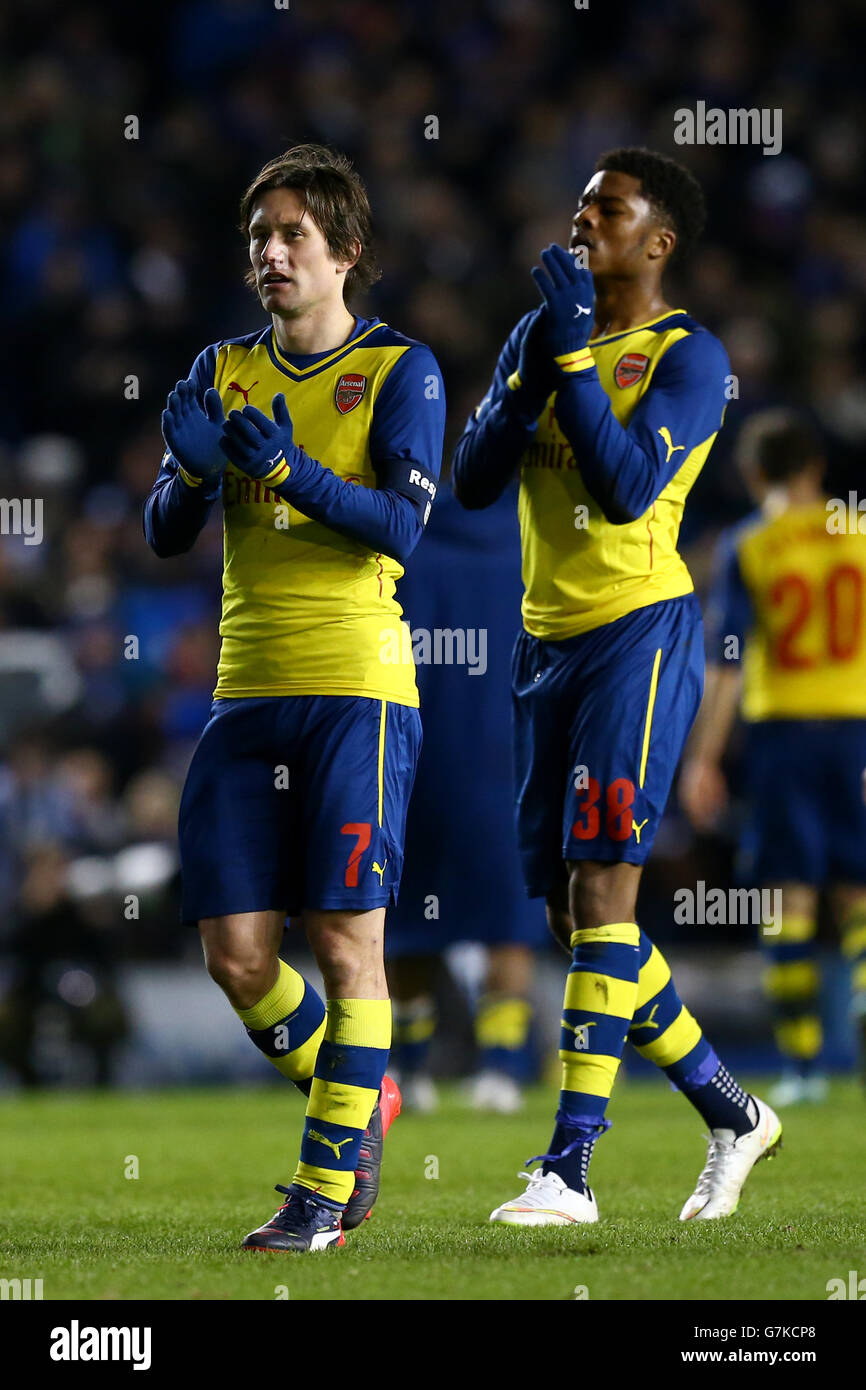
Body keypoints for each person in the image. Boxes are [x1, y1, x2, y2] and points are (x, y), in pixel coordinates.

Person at [453, 147, 781, 1225]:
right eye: (582, 201)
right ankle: (731, 1111)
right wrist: (531, 370)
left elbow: (631, 484)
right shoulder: (541, 329)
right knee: (568, 915)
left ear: (657, 241)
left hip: (636, 634)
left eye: (609, 206)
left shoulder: (688, 355)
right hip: (542, 643)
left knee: (603, 896)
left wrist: (572, 364)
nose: (583, 217)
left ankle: (568, 1168)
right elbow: (472, 476)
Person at [144, 144, 445, 1251]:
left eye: (293, 238)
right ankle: (355, 1092)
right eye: (259, 239)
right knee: (234, 953)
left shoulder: (403, 369)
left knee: (342, 938)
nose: (270, 254)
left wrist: (286, 475)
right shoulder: (222, 366)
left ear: (344, 256)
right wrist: (181, 476)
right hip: (244, 690)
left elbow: (402, 527)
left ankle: (324, 1197)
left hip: (357, 688)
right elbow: (166, 533)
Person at [681, 408, 866, 1103]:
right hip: (856, 729)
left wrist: (702, 758)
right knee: (857, 890)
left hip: (783, 733)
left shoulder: (751, 543)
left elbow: (727, 662)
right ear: (817, 466)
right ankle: (862, 989)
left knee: (786, 899)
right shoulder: (859, 532)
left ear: (754, 473)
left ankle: (804, 1069)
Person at [385, 483, 549, 1114]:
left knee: (410, 924)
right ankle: (502, 1071)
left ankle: (411, 1070)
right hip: (509, 760)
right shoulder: (530, 542)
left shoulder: (407, 542)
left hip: (419, 756)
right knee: (506, 921)